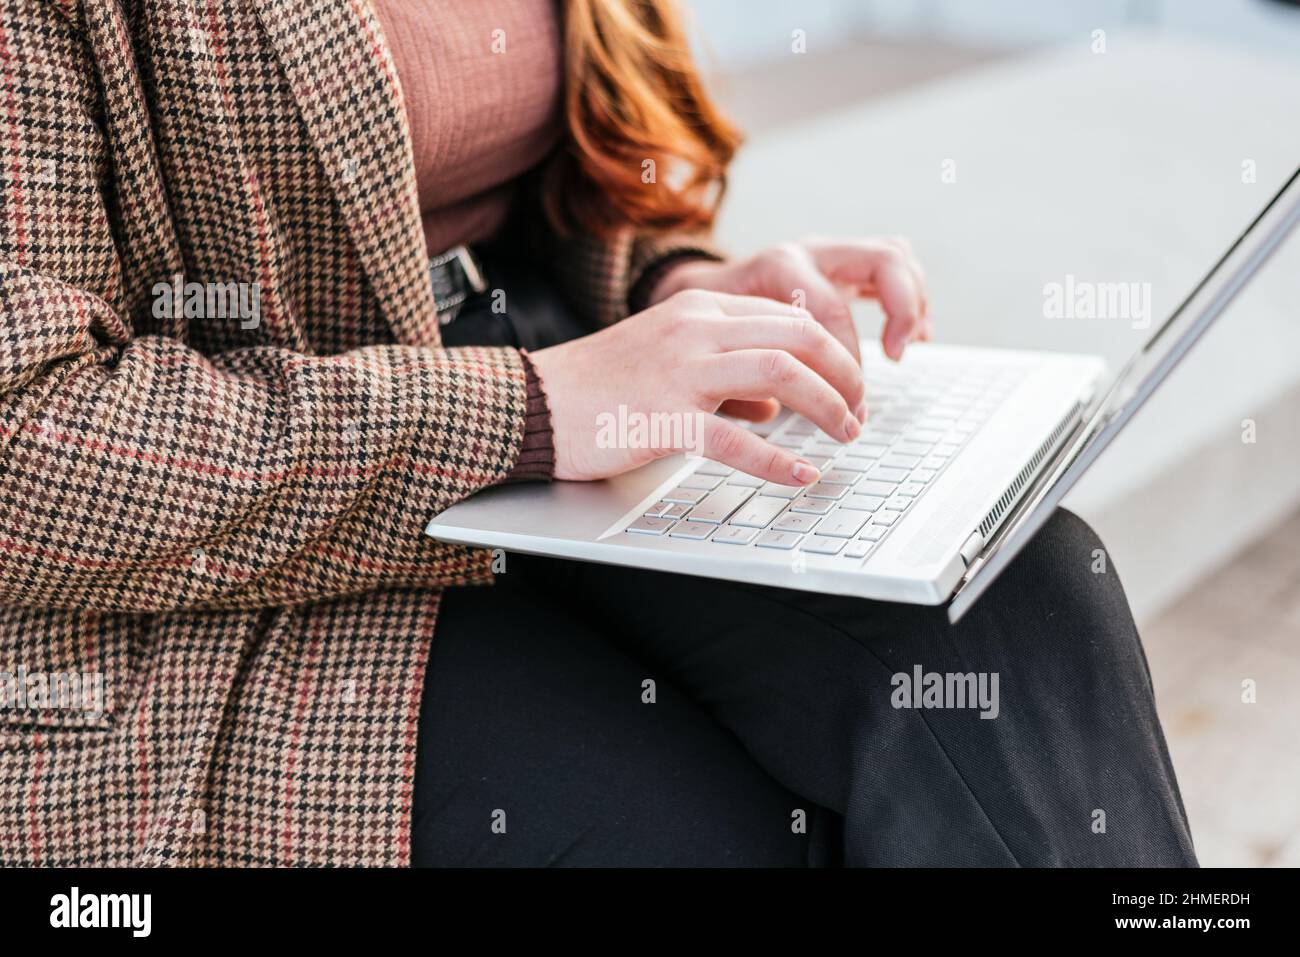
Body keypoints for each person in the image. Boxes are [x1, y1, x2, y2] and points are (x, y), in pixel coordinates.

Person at [0, 0, 1194, 867]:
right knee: (689, 825)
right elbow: (27, 446)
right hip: (223, 545)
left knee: (1021, 605)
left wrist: (674, 289)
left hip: (552, 394)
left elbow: (558, 176)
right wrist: (534, 411)